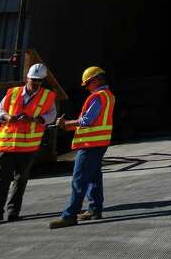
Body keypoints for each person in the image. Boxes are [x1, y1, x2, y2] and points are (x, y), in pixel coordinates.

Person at [0, 63, 57, 224]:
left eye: (39, 80)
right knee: (1, 180)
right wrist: (8, 117)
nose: (35, 83)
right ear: (27, 78)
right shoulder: (13, 93)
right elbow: (0, 111)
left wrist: (36, 119)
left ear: (42, 81)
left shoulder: (47, 96)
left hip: (28, 147)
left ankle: (13, 212)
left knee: (20, 180)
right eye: (33, 80)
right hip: (7, 145)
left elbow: (52, 116)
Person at [48, 66, 116, 229]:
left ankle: (69, 215)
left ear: (97, 80)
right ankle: (94, 209)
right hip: (99, 143)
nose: (86, 87)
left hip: (90, 145)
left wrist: (67, 123)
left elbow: (87, 121)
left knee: (79, 180)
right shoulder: (108, 95)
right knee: (94, 177)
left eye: (87, 83)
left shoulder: (97, 97)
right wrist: (69, 125)